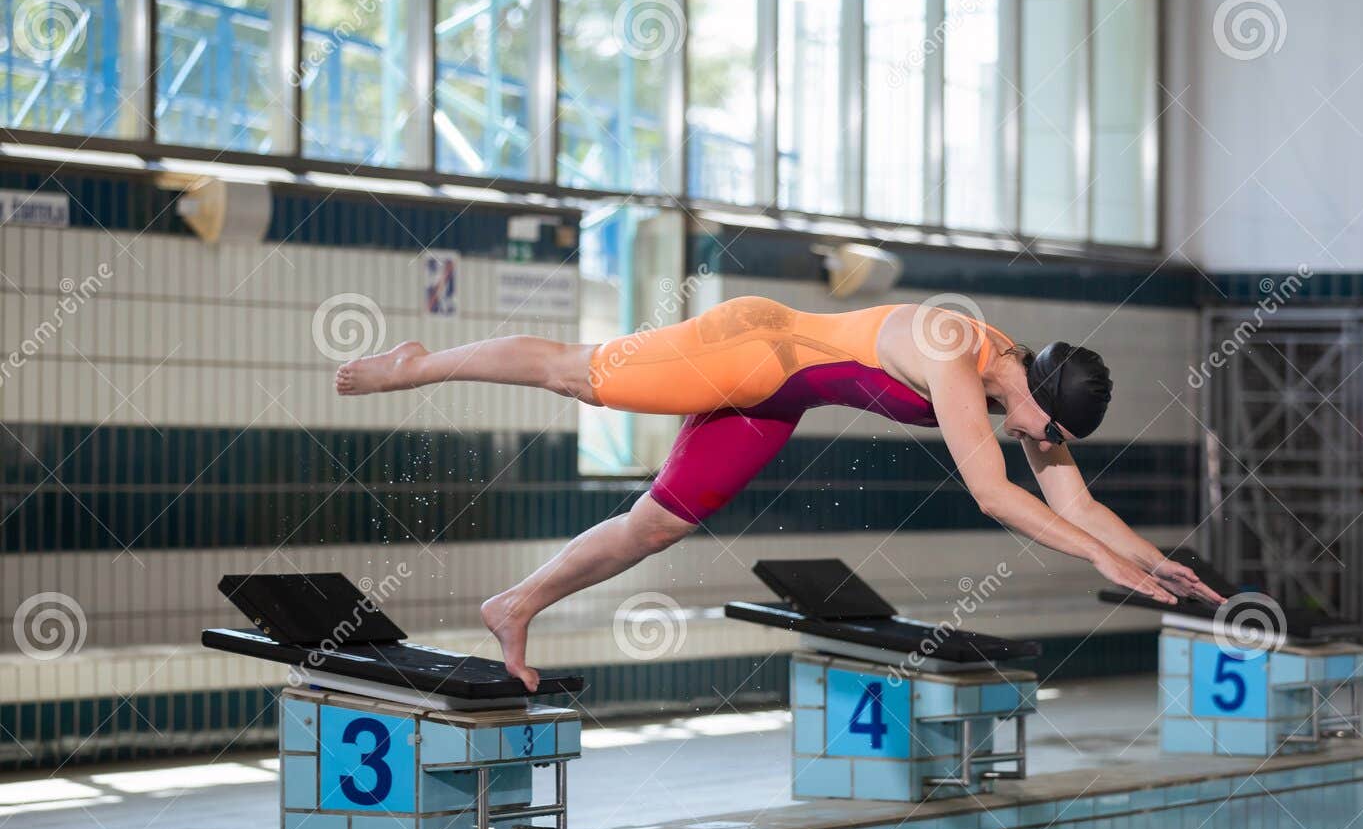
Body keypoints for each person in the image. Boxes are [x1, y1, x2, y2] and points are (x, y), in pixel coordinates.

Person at [336, 295, 1223, 690]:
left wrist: (1161, 567)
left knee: (654, 528)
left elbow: (1074, 506)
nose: (1042, 442)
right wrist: (1111, 560)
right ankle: (416, 365)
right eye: (1045, 428)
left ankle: (515, 604)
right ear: (1035, 387)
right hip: (749, 349)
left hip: (777, 401)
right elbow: (994, 496)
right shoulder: (959, 352)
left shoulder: (1021, 395)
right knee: (576, 376)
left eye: (1049, 437)